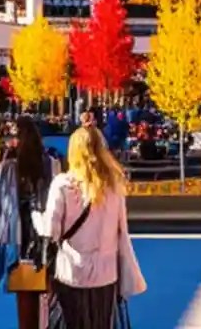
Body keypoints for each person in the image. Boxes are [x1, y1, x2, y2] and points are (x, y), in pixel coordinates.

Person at [33, 126, 147, 328]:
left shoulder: (63, 184)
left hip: (72, 272)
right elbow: (122, 232)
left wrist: (36, 217)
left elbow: (52, 232)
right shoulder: (114, 187)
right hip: (106, 274)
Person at [0, 116, 58, 329]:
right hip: (48, 241)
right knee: (49, 301)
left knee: (25, 305)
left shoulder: (6, 169)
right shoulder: (51, 164)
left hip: (18, 241)